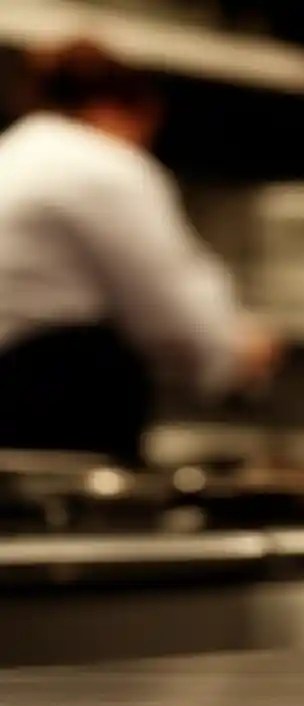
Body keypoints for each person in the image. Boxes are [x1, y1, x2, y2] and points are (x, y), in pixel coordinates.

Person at [0, 39, 280, 467]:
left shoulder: (15, 153)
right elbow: (176, 315)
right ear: (128, 109)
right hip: (51, 418)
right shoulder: (106, 165)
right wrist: (236, 350)